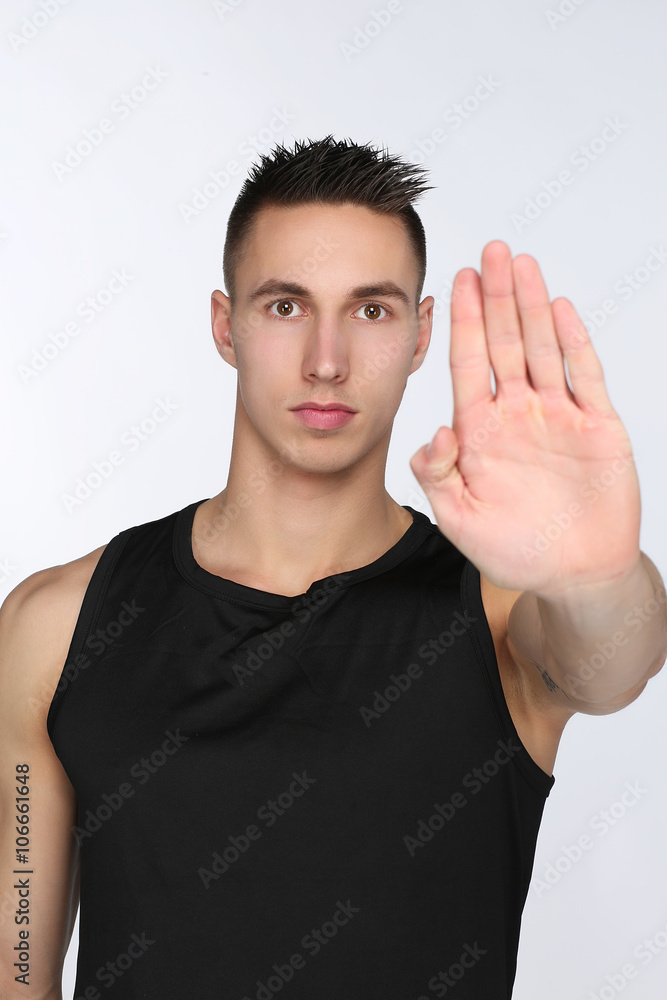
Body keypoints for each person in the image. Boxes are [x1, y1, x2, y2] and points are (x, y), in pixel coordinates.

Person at [1, 135, 665, 1000]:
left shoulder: (497, 614)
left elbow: (609, 665)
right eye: (285, 307)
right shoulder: (55, 624)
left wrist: (590, 576)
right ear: (224, 323)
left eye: (370, 310)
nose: (326, 360)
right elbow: (15, 974)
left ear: (421, 334)